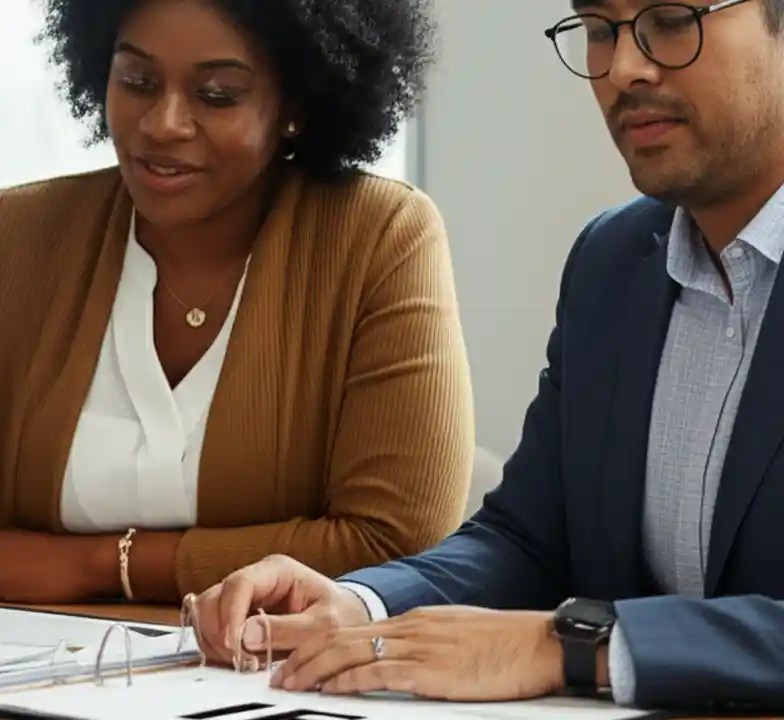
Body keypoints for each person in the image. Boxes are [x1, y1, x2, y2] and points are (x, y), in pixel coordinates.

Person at [0, 0, 474, 639]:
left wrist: (105, 564)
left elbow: (395, 541)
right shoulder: (13, 238)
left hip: (273, 680)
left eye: (217, 95)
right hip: (22, 672)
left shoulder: (379, 237)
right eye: (137, 81)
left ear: (293, 102)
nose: (163, 123)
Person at [192, 0, 784, 714]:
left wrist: (574, 646)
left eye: (671, 19)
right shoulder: (613, 260)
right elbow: (528, 540)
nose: (623, 67)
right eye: (600, 30)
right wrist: (361, 605)